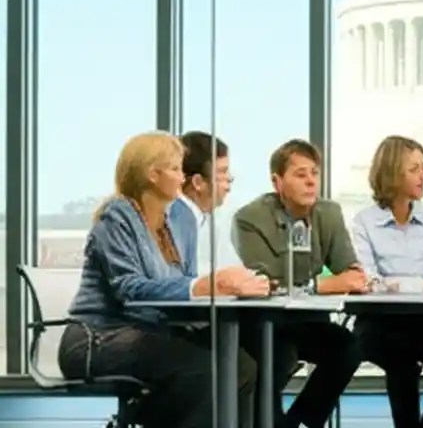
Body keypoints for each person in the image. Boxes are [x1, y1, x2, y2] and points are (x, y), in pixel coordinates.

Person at [58, 132, 268, 428]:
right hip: (98, 339)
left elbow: (180, 282)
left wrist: (220, 287)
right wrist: (202, 286)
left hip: (150, 334)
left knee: (241, 367)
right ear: (153, 175)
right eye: (175, 169)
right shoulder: (116, 217)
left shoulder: (177, 224)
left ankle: (140, 418)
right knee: (203, 369)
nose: (183, 177)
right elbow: (129, 288)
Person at [234, 138, 365, 428]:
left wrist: (341, 280)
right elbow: (267, 282)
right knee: (280, 357)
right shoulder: (248, 219)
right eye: (300, 174)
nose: (310, 182)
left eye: (314, 174)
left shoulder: (328, 212)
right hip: (266, 323)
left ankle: (300, 422)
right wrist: (322, 285)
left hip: (309, 320)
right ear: (277, 181)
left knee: (349, 347)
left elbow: (351, 273)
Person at [350, 135, 423, 428]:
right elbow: (368, 282)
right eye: (415, 169)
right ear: (393, 173)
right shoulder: (363, 222)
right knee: (402, 364)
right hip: (377, 322)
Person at [170, 130, 242, 272]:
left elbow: (233, 269)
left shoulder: (212, 219)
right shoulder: (172, 221)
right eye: (222, 171)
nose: (230, 178)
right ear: (198, 182)